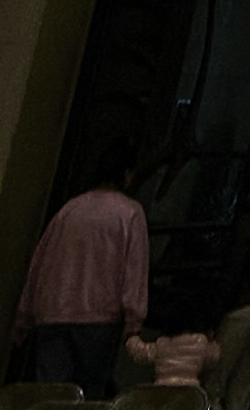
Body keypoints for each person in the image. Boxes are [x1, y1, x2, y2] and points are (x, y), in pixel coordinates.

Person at [18, 156, 152, 396]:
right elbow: (135, 268)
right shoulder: (129, 212)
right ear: (127, 175)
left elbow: (40, 262)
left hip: (53, 312)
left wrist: (24, 317)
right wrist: (134, 321)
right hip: (98, 317)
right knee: (88, 396)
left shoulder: (70, 209)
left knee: (48, 395)